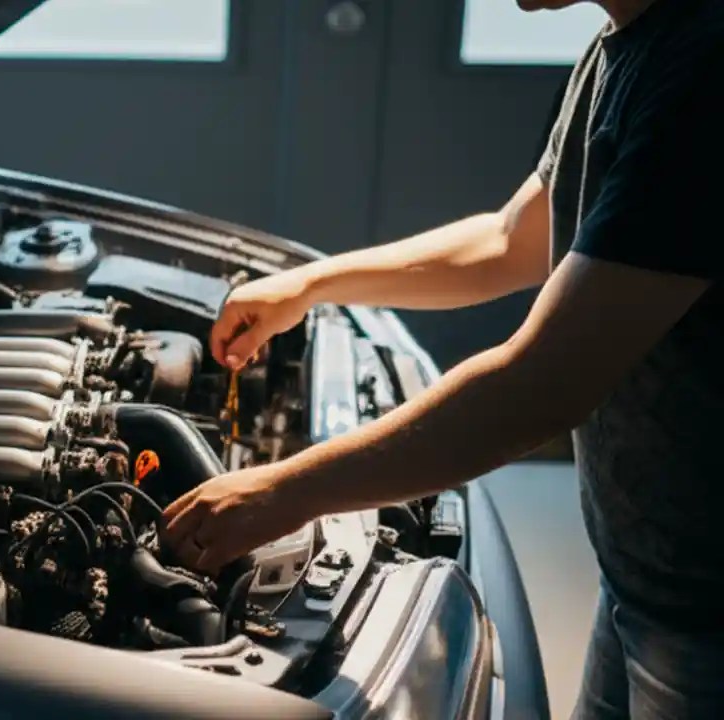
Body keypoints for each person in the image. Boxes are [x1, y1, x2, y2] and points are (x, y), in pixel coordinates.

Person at [161, 0, 724, 717]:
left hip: (705, 613)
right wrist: (312, 284)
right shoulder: (624, 47)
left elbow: (541, 387)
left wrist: (284, 491)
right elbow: (509, 240)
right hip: (645, 569)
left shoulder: (705, 76)